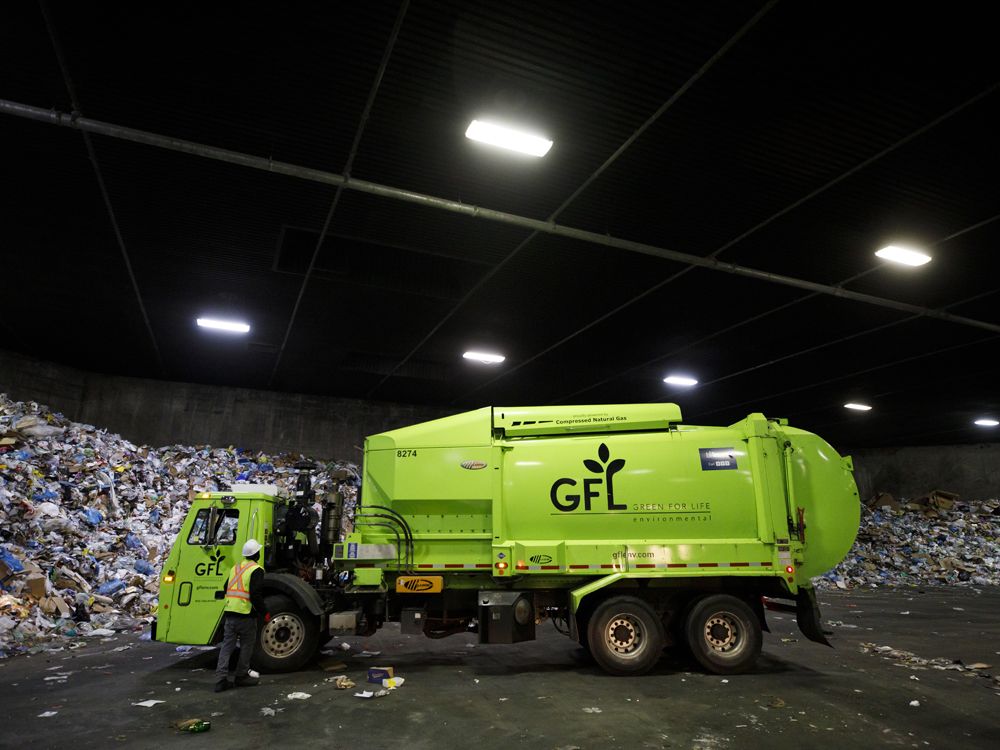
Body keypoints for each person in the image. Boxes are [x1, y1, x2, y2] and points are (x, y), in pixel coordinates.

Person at [214, 538, 269, 692]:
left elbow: (226, 587)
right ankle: (241, 675)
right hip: (245, 614)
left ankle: (220, 680)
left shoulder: (236, 568)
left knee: (227, 647)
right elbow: (255, 595)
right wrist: (265, 612)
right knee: (246, 646)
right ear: (257, 554)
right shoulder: (256, 570)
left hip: (230, 613)